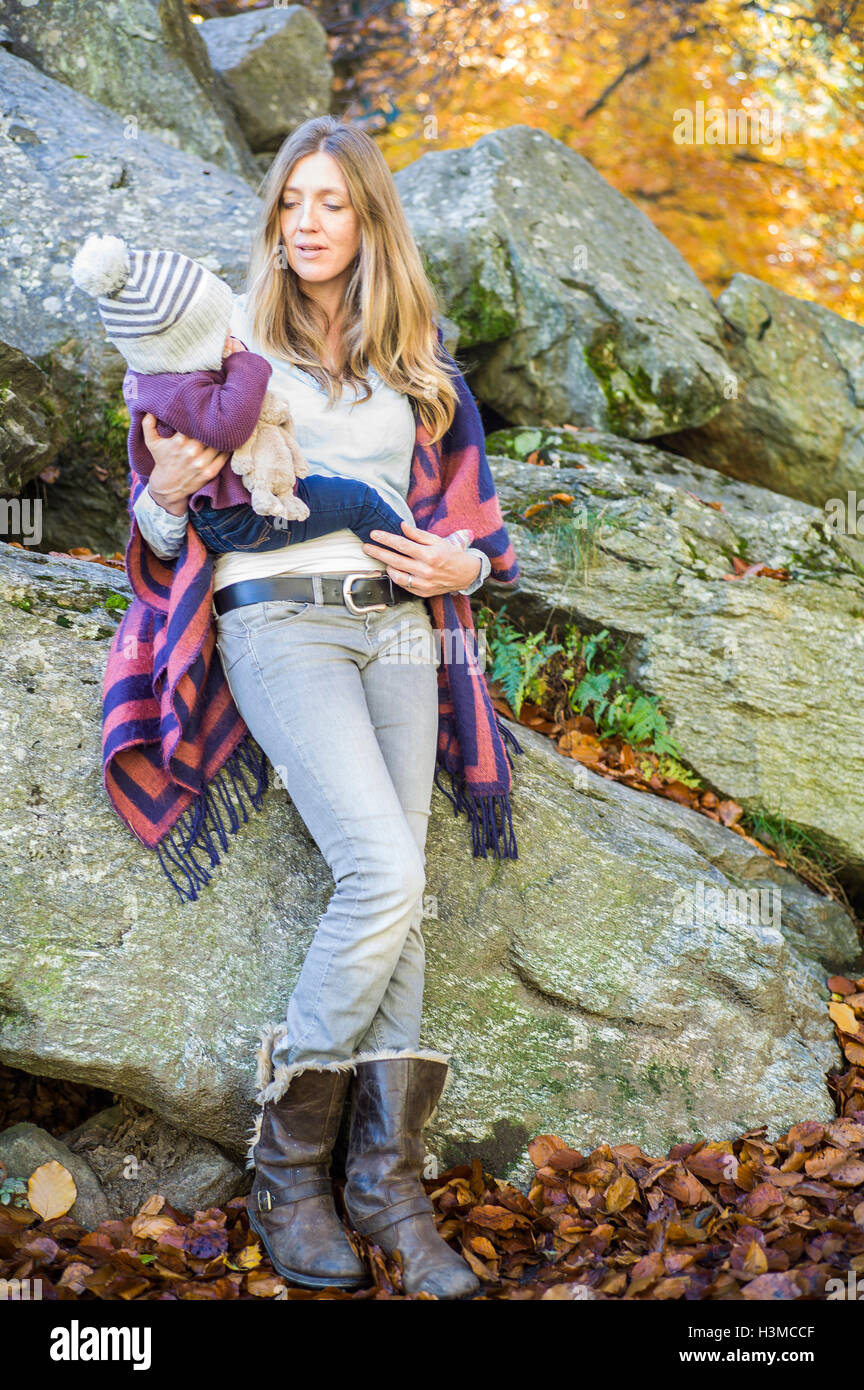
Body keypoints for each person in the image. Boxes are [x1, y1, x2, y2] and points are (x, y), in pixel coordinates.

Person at [99, 115, 521, 1299]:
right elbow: (162, 522)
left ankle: (386, 1185)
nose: (310, 223)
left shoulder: (418, 362)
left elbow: (477, 526)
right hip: (278, 623)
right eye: (293, 201)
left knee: (411, 906)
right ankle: (287, 1174)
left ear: (369, 217)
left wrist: (465, 571)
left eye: (333, 201)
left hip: (401, 629)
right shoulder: (226, 345)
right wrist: (167, 496)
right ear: (274, 220)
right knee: (379, 873)